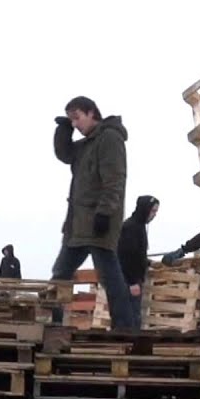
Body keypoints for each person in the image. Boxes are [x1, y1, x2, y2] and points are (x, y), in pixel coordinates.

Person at [48, 96, 137, 329]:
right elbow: (65, 155)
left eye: (77, 118)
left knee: (110, 277)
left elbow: (115, 179)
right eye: (72, 120)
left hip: (98, 221)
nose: (76, 124)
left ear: (91, 113)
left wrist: (105, 213)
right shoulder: (86, 144)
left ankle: (125, 328)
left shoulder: (109, 138)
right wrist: (63, 130)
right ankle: (53, 323)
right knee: (60, 274)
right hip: (77, 225)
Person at [117, 195, 159, 328]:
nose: (154, 215)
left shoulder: (139, 226)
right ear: (144, 209)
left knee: (133, 316)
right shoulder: (131, 227)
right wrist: (133, 281)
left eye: (156, 212)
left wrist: (148, 262)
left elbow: (137, 254)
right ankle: (128, 344)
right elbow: (126, 256)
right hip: (128, 282)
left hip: (132, 280)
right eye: (153, 211)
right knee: (131, 317)